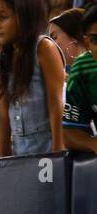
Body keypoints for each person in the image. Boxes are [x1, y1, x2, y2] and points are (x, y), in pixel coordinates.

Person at [0, 0, 66, 156]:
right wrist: (2, 161)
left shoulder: (44, 48)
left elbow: (57, 104)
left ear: (24, 18)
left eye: (3, 17)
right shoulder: (4, 57)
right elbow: (2, 113)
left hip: (47, 148)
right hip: (20, 153)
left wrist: (58, 154)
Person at [62, 5, 97, 153]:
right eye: (96, 39)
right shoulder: (82, 70)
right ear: (87, 42)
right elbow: (69, 132)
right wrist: (93, 144)